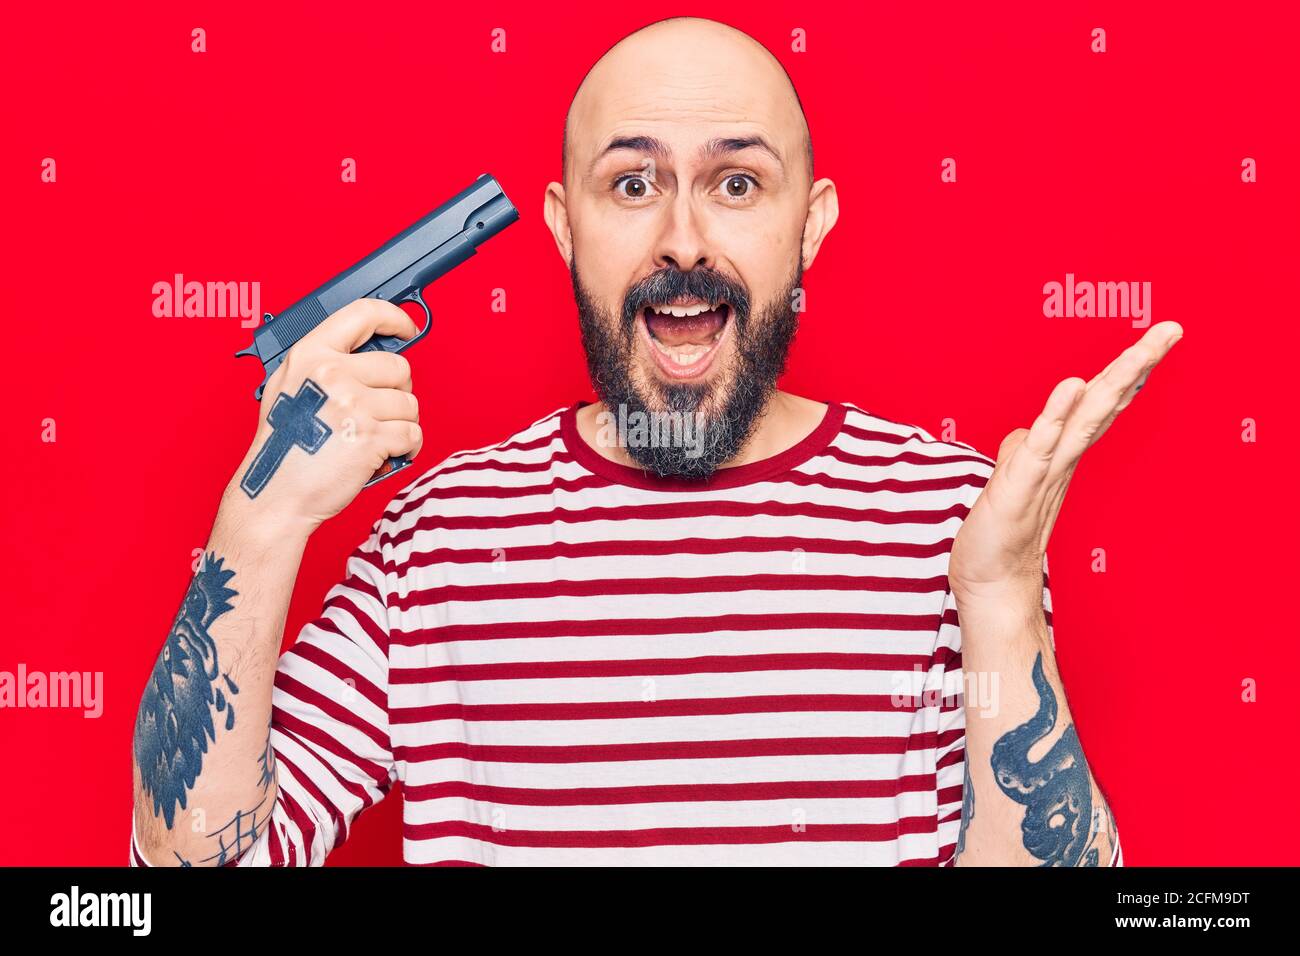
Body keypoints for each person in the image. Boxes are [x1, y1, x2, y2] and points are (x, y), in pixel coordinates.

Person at [131, 15, 1179, 867]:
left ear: (808, 225)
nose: (682, 238)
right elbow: (192, 865)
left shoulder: (956, 517)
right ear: (562, 226)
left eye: (736, 183)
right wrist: (259, 517)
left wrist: (998, 597)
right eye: (632, 184)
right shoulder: (435, 541)